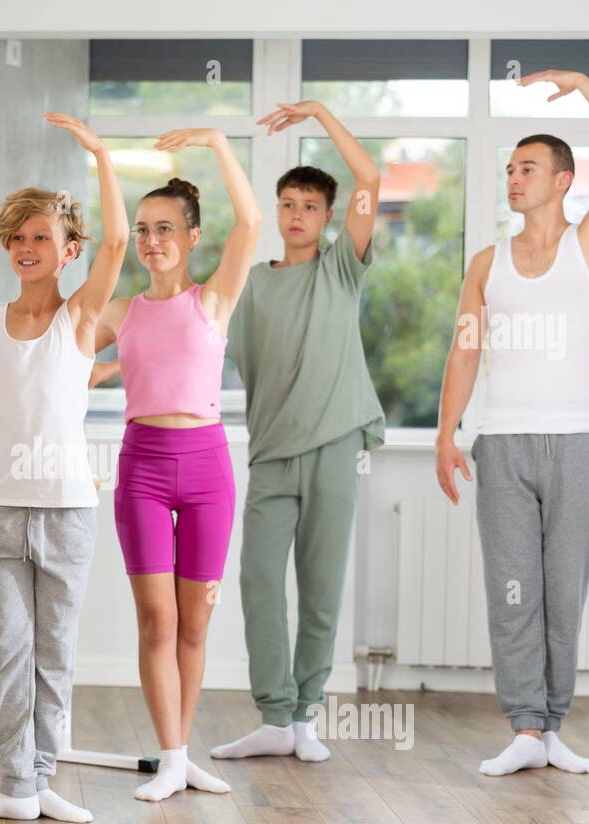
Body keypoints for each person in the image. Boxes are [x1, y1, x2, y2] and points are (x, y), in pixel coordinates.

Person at [434, 70, 589, 776]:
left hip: (576, 444)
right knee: (512, 589)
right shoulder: (487, 263)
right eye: (509, 168)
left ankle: (555, 725)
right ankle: (526, 728)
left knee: (564, 590)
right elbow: (464, 350)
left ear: (562, 179)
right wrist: (446, 432)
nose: (514, 177)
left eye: (527, 167)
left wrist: (585, 85)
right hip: (501, 443)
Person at [0, 114, 127, 824]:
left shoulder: (82, 317)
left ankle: (42, 779)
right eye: (18, 236)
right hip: (2, 508)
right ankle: (13, 786)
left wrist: (100, 155)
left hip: (68, 509)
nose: (28, 246)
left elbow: (122, 241)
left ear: (70, 250)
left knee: (54, 653)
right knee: (7, 647)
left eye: (43, 237)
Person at [211, 100, 385, 763]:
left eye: (309, 206)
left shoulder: (342, 269)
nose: (296, 215)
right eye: (287, 203)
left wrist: (317, 111)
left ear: (328, 217)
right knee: (258, 580)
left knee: (320, 587)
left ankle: (305, 716)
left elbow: (369, 179)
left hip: (337, 448)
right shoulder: (253, 285)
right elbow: (198, 338)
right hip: (273, 455)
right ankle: (274, 715)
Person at [91, 128, 260, 802]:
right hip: (144, 471)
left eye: (165, 228)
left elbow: (249, 221)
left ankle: (182, 752)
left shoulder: (213, 299)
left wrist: (218, 143)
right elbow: (62, 343)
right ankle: (169, 756)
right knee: (158, 621)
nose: (152, 239)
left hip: (209, 471)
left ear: (192, 236)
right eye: (142, 229)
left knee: (197, 622)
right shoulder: (120, 312)